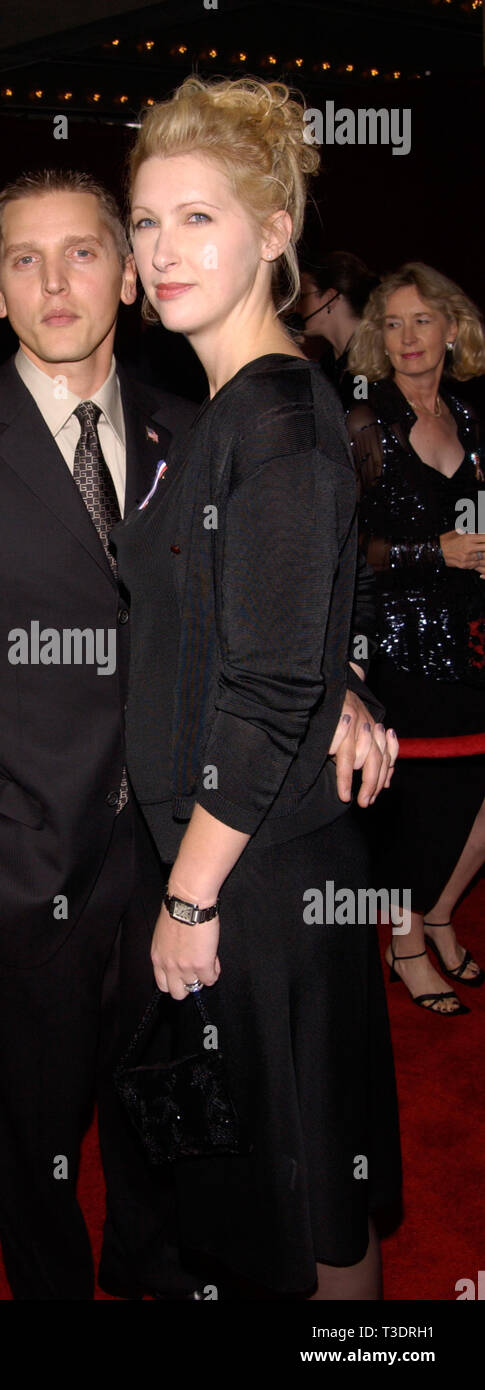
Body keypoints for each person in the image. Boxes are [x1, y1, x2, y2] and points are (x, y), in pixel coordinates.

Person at [0, 168, 395, 1301]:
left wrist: (335, 680)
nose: (54, 282)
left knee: (173, 1124)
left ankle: (154, 1281)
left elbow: (264, 614)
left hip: (183, 861)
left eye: (82, 251)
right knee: (37, 1144)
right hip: (22, 872)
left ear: (127, 272)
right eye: (21, 259)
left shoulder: (196, 425)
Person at [115, 75, 402, 1299]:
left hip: (253, 875)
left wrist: (185, 901)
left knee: (302, 1200)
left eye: (197, 218)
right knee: (290, 1179)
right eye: (144, 221)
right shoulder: (236, 407)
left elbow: (265, 682)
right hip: (260, 854)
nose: (160, 251)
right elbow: (269, 630)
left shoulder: (273, 421)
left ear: (274, 232)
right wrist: (334, 669)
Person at [347, 262, 485, 1014]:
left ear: (450, 330)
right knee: (414, 802)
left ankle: (436, 911)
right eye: (391, 324)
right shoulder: (366, 418)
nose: (405, 337)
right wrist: (435, 549)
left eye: (421, 320)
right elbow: (349, 543)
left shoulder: (467, 417)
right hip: (398, 639)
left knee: (470, 794)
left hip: (471, 632)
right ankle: (403, 944)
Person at [298, 251, 378, 408]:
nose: (297, 308)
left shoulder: (373, 360)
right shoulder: (327, 362)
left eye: (303, 296)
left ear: (329, 298)